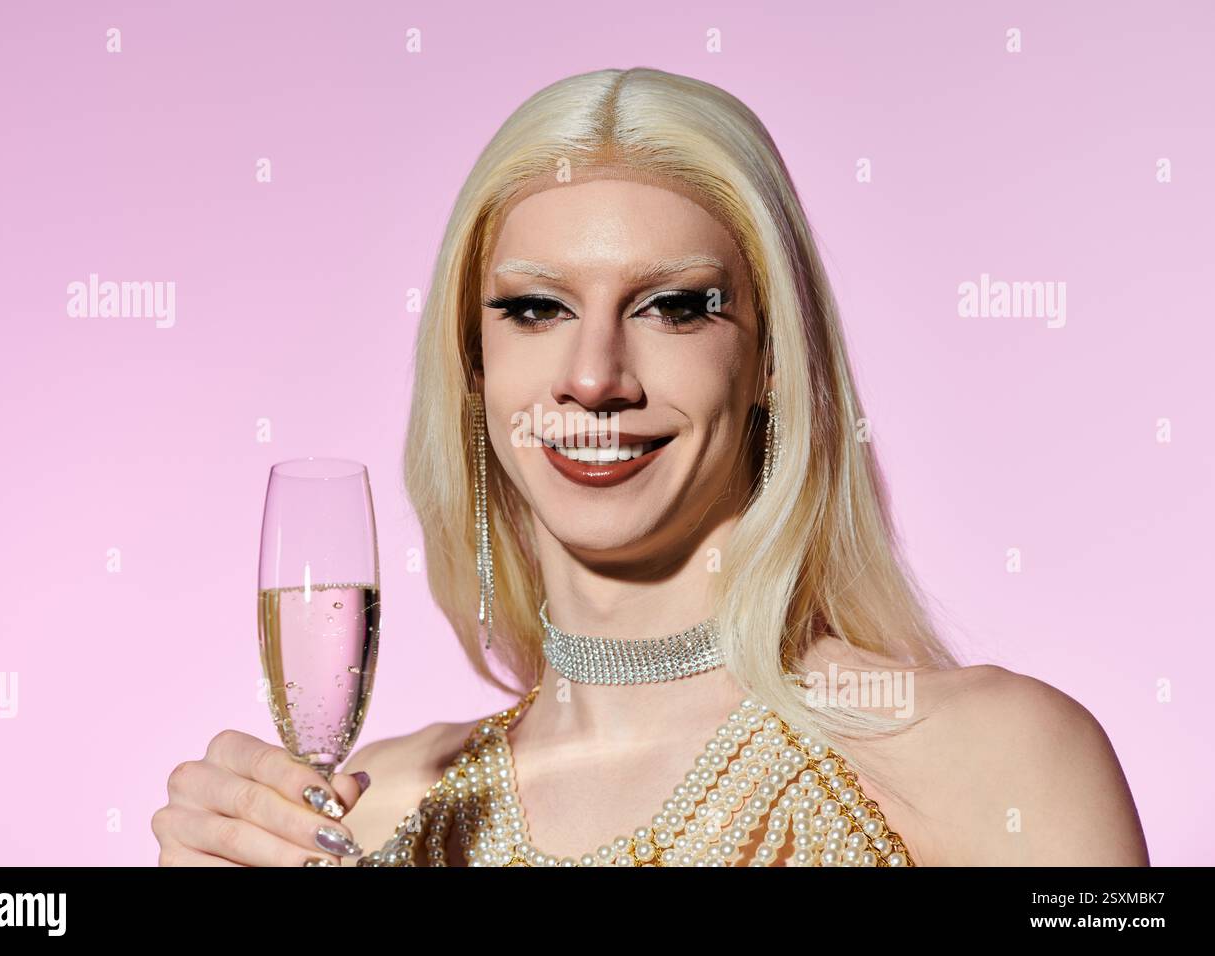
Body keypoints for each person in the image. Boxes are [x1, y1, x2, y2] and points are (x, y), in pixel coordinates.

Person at [152, 67, 1149, 867]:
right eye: (534, 308)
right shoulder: (372, 815)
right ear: (473, 363)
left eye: (673, 305)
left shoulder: (999, 759)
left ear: (769, 359)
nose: (593, 378)